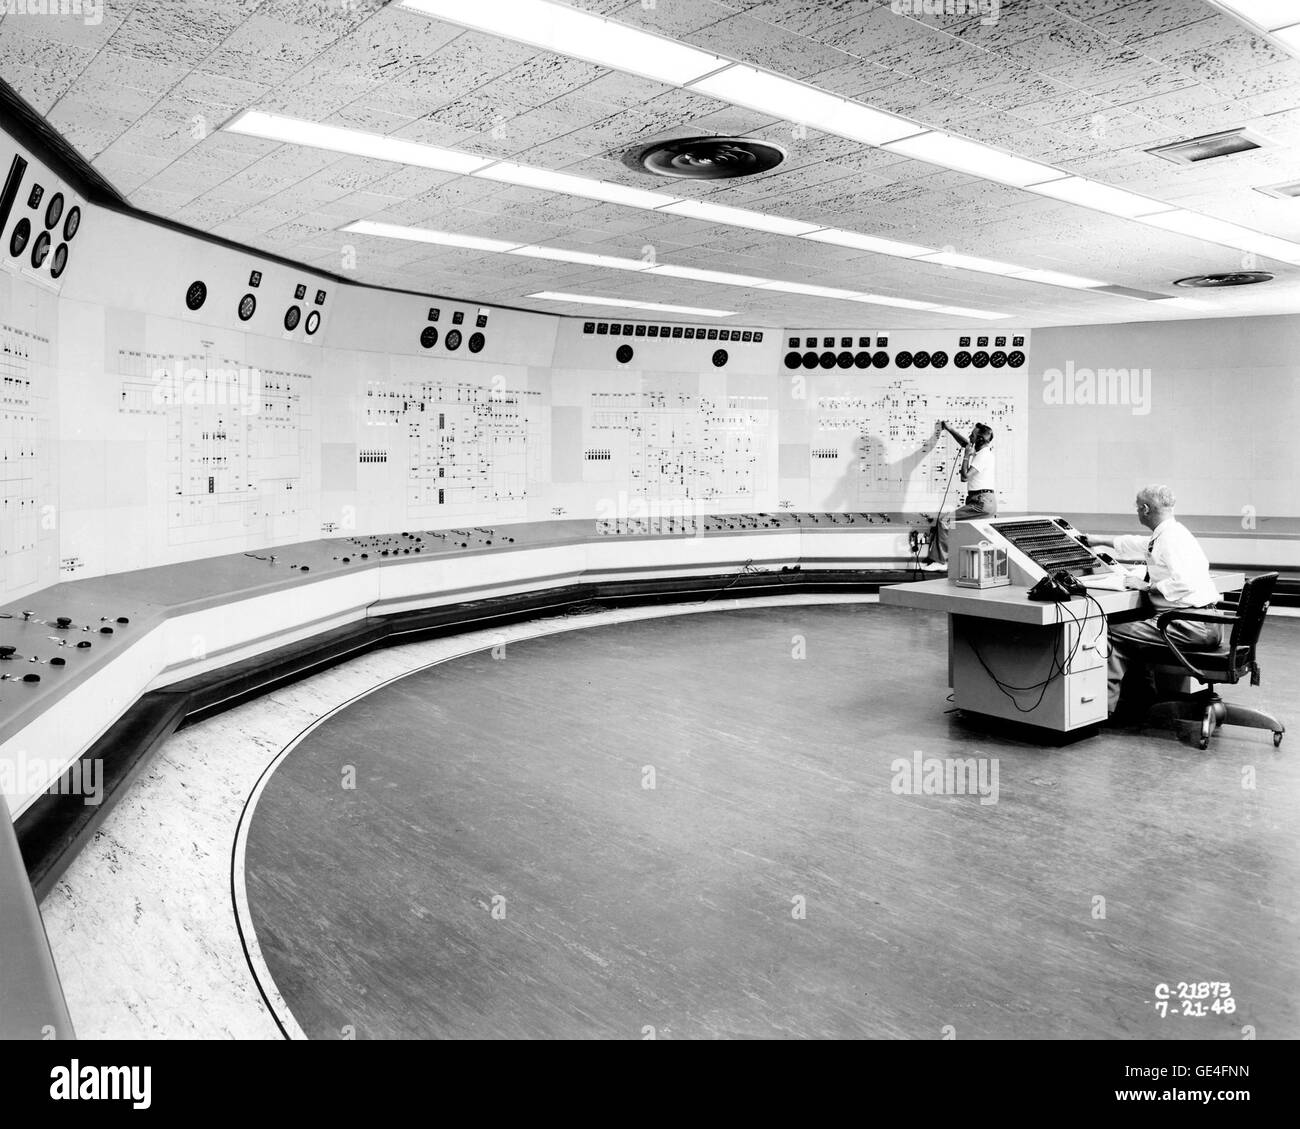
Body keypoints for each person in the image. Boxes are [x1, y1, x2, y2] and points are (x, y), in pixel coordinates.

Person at [1087, 485, 1221, 719]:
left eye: (1137, 507)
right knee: (1133, 629)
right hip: (1205, 622)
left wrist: (1150, 586)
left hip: (1190, 625)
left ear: (1145, 509)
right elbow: (1140, 544)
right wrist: (1096, 540)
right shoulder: (1172, 533)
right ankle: (1143, 698)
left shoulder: (1170, 540)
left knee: (1110, 632)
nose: (1137, 511)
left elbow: (1185, 581)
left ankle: (1102, 710)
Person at [922, 421, 996, 569]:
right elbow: (965, 443)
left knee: (945, 521)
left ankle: (939, 561)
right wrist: (949, 429)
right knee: (960, 528)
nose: (970, 436)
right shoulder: (981, 451)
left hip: (981, 503)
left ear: (980, 439)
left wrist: (966, 456)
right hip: (982, 501)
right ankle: (951, 561)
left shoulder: (983, 456)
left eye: (973, 435)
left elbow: (965, 477)